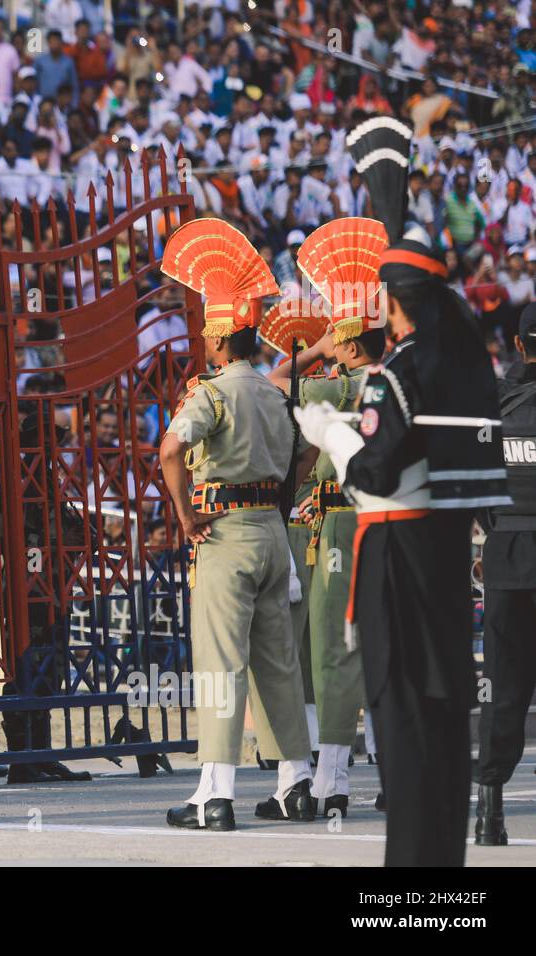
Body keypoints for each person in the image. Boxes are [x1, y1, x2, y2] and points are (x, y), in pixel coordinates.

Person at [297, 224, 510, 866]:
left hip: (398, 560)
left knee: (405, 722)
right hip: (441, 559)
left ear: (397, 301)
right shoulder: (465, 364)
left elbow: (376, 474)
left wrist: (332, 437)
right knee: (439, 732)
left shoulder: (399, 372)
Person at [158, 219, 316, 831]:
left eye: (207, 333)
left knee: (222, 662)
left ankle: (214, 795)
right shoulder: (277, 393)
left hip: (224, 532)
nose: (204, 341)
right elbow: (304, 455)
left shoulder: (214, 391)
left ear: (222, 336)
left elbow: (171, 451)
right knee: (279, 661)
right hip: (273, 533)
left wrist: (186, 514)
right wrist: (281, 507)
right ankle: (296, 784)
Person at [268, 218, 388, 816]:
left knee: (328, 652)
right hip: (390, 523)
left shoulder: (341, 389)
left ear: (346, 339)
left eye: (336, 337)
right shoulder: (392, 382)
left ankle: (331, 780)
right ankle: (384, 770)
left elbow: (274, 383)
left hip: (342, 524)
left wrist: (312, 349)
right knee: (383, 647)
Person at [473, 303, 536, 846]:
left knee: (504, 689)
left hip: (506, 557)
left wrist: (489, 532)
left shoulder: (493, 401)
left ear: (518, 346)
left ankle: (488, 812)